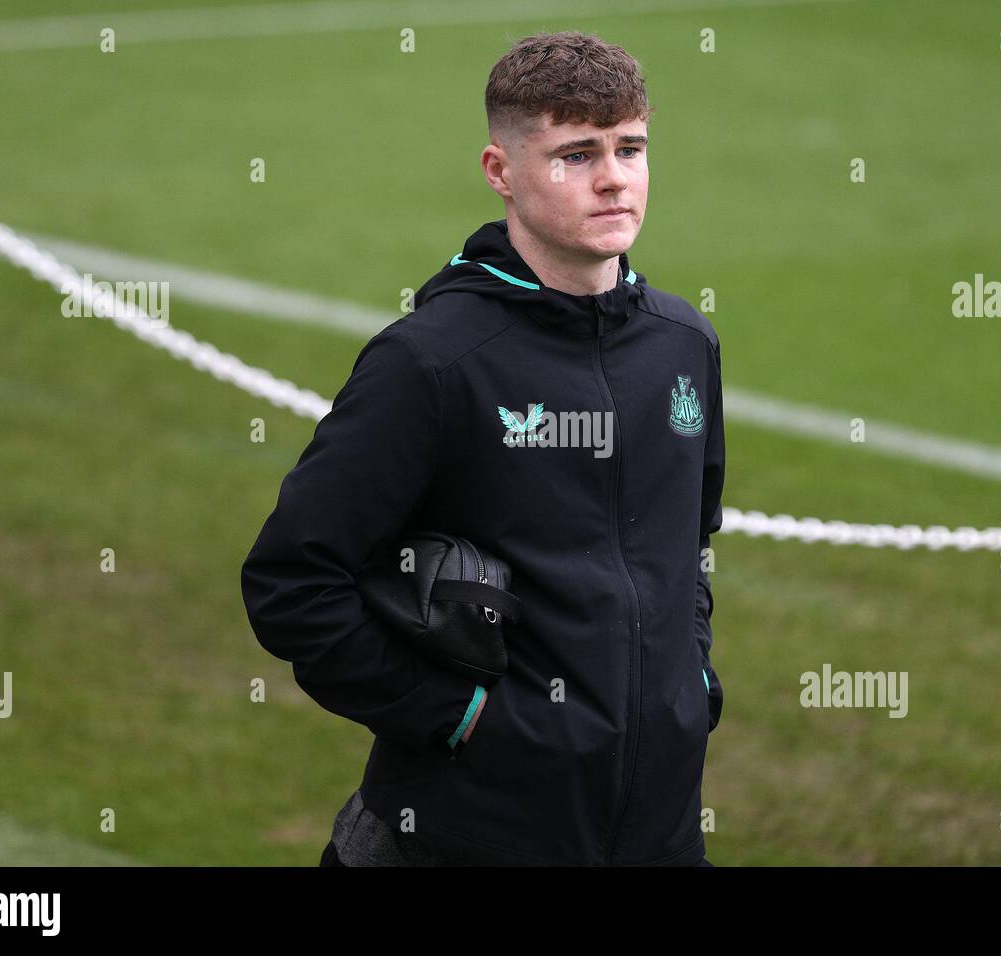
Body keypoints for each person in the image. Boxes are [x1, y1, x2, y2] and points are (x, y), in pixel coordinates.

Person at [242, 30, 725, 867]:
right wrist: (458, 715)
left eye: (630, 147)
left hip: (660, 836)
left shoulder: (684, 344)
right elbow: (292, 582)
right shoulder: (430, 362)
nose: (614, 177)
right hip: (462, 837)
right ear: (501, 171)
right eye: (576, 155)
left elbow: (692, 546)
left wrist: (693, 689)